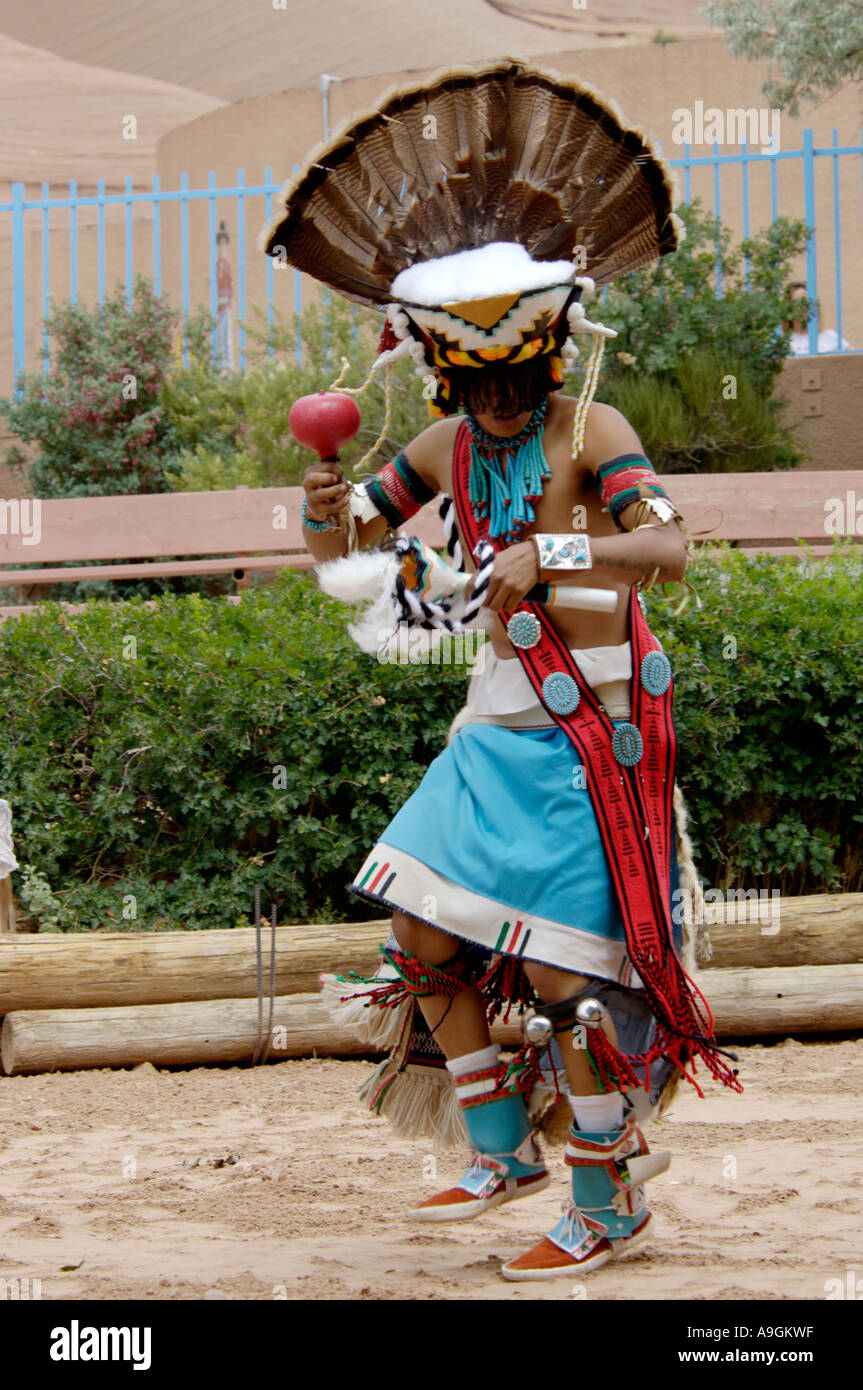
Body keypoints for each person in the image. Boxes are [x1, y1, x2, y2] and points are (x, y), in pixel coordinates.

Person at [262, 57, 742, 1281]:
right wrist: (319, 503)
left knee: (566, 984)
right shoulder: (439, 441)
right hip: (495, 726)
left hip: (598, 736)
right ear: (438, 368)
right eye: (471, 380)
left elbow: (669, 548)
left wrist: (550, 548)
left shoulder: (597, 432)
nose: (495, 398)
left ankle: (607, 1199)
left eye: (512, 374)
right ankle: (496, 1144)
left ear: (548, 350)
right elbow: (345, 549)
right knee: (417, 929)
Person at [786, 281, 851, 355]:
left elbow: (855, 360)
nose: (803, 307)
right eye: (797, 302)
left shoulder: (831, 337)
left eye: (807, 301)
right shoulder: (782, 341)